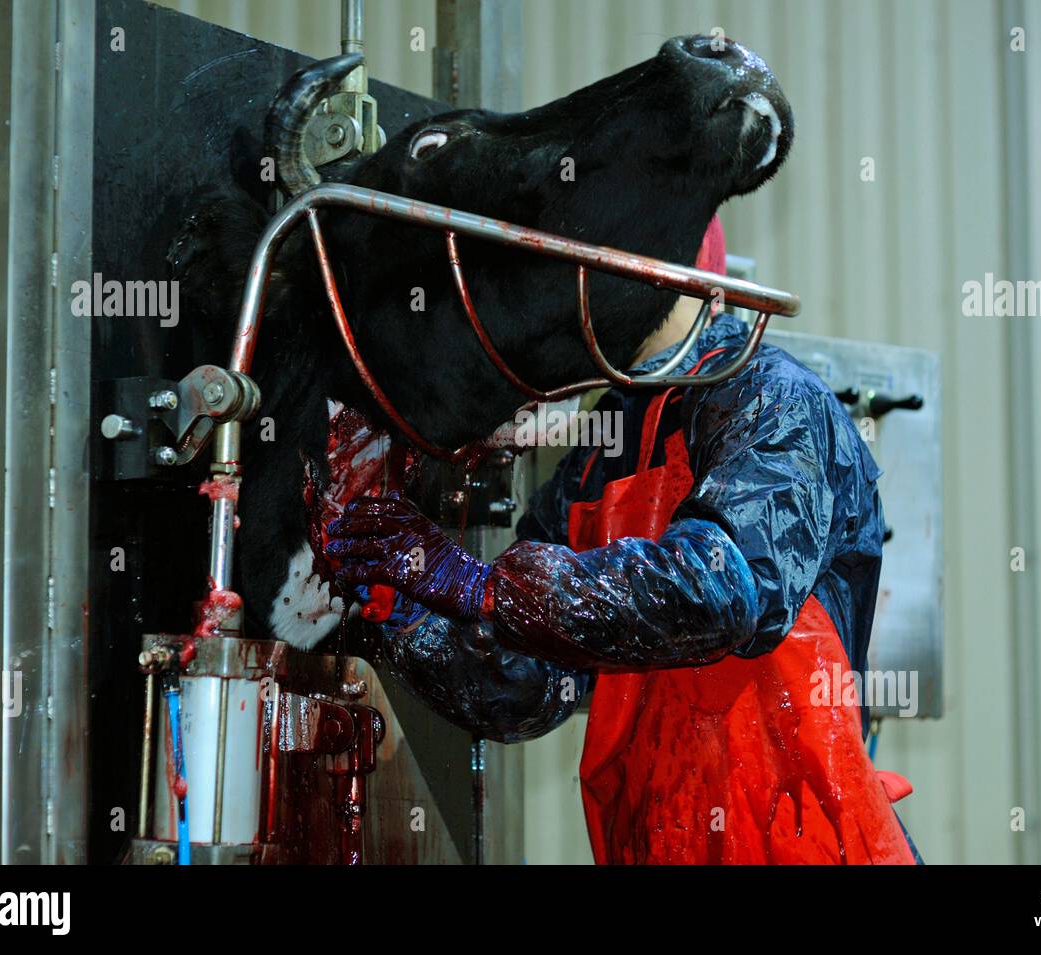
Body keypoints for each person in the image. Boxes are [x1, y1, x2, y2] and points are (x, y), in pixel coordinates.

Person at [324, 217, 920, 864]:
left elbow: (720, 589)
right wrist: (406, 611)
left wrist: (481, 584)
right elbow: (530, 686)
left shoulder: (773, 400)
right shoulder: (597, 456)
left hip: (807, 842)